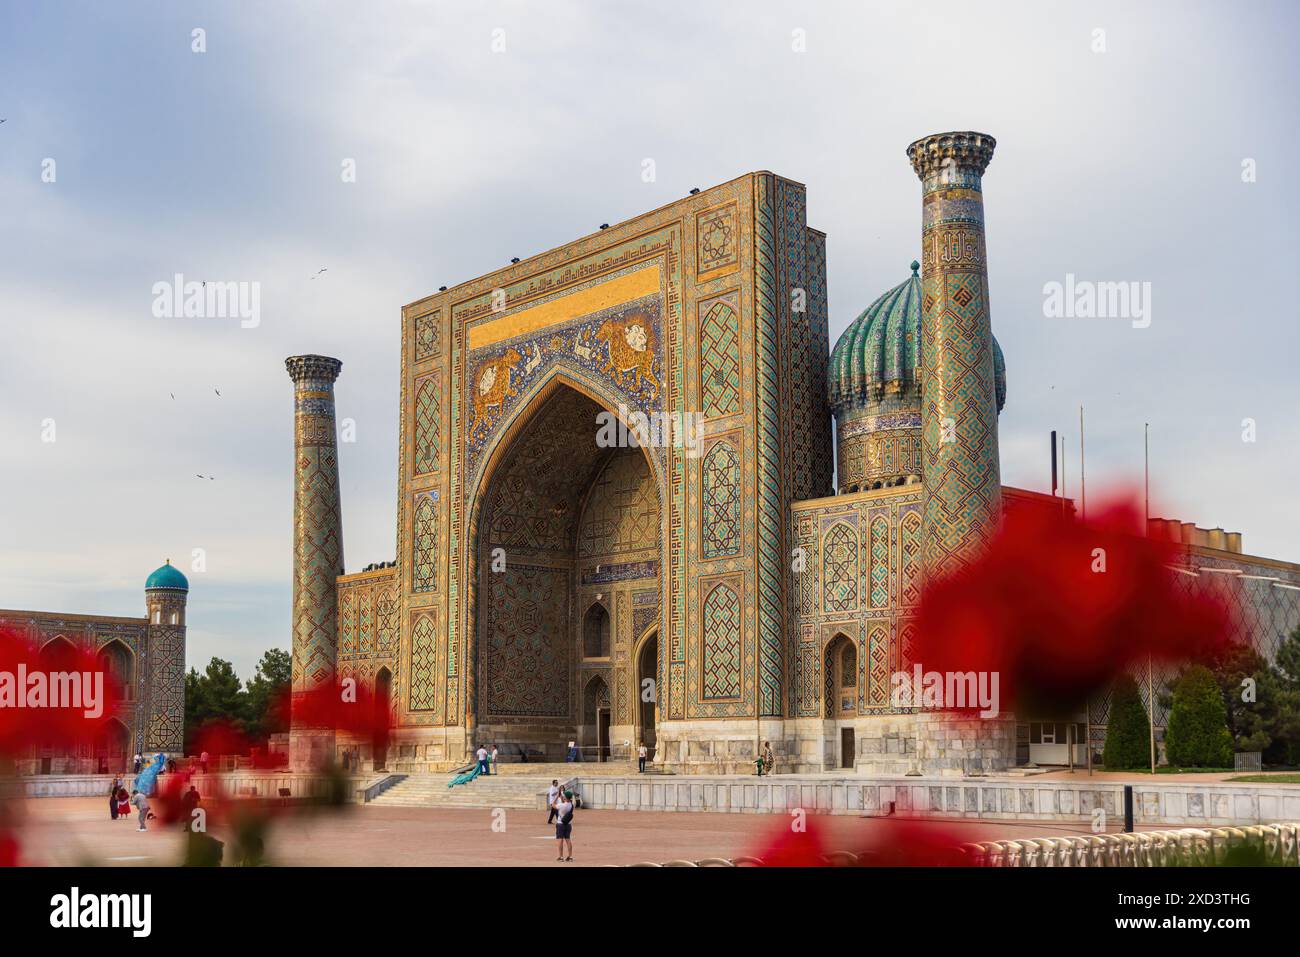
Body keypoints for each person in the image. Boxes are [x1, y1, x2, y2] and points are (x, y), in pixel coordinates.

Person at [553, 789, 575, 862]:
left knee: (560, 840)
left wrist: (557, 797)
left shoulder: (562, 805)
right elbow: (565, 802)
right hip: (568, 824)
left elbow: (553, 805)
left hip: (560, 824)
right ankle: (570, 856)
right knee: (568, 840)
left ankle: (561, 857)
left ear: (566, 797)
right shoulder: (571, 805)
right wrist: (562, 797)